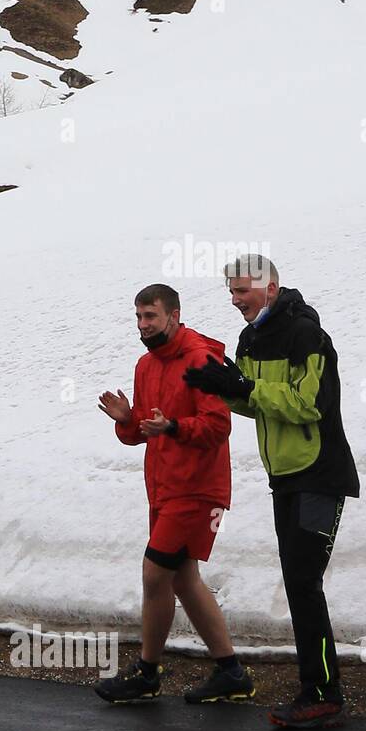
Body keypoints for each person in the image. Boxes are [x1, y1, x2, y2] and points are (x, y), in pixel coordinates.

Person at [185, 255, 359, 728]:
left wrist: (245, 385)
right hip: (284, 476)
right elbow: (255, 404)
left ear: (272, 287)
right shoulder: (250, 338)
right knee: (300, 584)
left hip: (320, 474)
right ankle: (319, 690)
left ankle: (323, 694)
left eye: (243, 291)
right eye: (231, 292)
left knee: (304, 584)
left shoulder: (307, 334)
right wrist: (223, 389)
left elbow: (307, 404)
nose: (236, 300)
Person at [96, 285, 253, 704]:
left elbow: (218, 426)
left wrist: (174, 428)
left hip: (199, 490)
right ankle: (231, 672)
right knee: (183, 578)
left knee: (154, 574)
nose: (143, 325)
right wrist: (129, 420)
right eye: (138, 317)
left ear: (173, 315)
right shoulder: (146, 365)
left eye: (151, 316)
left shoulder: (201, 359)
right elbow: (142, 432)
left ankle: (147, 672)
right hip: (164, 489)